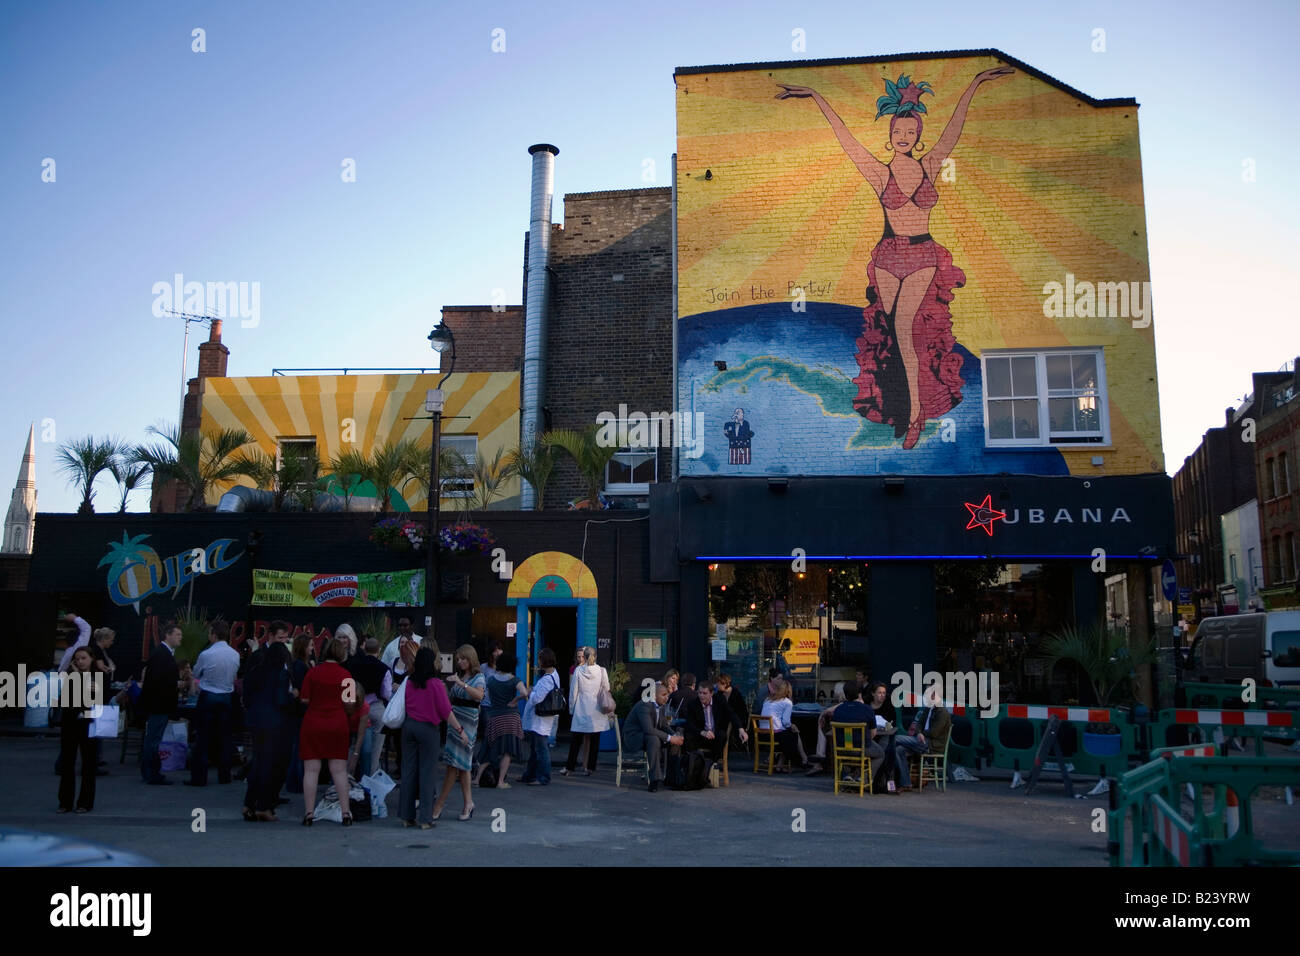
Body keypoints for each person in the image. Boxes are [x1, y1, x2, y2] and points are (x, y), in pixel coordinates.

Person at [777, 66, 1014, 449]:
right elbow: (847, 140)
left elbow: (954, 131)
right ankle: (896, 407)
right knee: (890, 335)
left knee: (904, 331)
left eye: (910, 133)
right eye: (897, 133)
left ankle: (916, 414)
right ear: (889, 138)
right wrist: (816, 97)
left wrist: (973, 83)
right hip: (888, 256)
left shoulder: (931, 166)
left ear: (918, 138)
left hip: (922, 254)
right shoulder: (878, 172)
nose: (903, 137)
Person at [400, 648, 469, 828]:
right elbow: (446, 711)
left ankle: (406, 816)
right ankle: (425, 819)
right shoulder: (436, 684)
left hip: (409, 727)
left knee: (408, 771)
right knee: (427, 773)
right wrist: (460, 730)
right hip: (428, 729)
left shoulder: (409, 682)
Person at [299, 638, 359, 826]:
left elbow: (304, 699)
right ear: (341, 653)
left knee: (311, 770)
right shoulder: (346, 674)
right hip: (337, 723)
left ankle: (309, 813)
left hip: (313, 723)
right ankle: (345, 813)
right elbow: (350, 702)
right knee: (339, 771)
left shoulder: (312, 673)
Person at [430, 644, 486, 821]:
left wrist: (461, 684)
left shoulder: (478, 677)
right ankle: (468, 803)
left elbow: (479, 696)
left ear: (471, 659)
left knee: (454, 765)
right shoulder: (459, 675)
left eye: (464, 658)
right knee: (462, 765)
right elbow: (450, 699)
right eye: (459, 659)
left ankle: (439, 804)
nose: (460, 662)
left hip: (468, 723)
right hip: (454, 720)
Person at [241, 641, 293, 821]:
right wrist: (292, 697)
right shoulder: (281, 674)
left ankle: (249, 803)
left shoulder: (256, 671)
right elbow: (281, 700)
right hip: (274, 722)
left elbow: (246, 696)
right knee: (270, 765)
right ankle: (264, 806)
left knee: (258, 761)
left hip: (255, 719)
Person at [187, 621, 241, 787]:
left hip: (209, 695)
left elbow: (197, 673)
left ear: (214, 634)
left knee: (202, 737)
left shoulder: (206, 654)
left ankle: (199, 778)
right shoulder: (235, 654)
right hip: (226, 696)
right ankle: (224, 775)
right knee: (225, 737)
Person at [804, 681, 884, 785]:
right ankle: (864, 778)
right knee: (881, 754)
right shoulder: (867, 710)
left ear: (845, 694)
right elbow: (873, 734)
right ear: (860, 694)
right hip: (861, 749)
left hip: (841, 750)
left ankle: (848, 775)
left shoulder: (838, 710)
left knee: (856, 747)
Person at [139, 623, 183, 785]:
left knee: (153, 739)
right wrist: (175, 684)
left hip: (159, 704)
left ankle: (149, 772)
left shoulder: (163, 653)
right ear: (168, 635)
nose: (180, 637)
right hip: (158, 705)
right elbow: (158, 681)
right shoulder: (161, 654)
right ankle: (151, 773)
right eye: (177, 634)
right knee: (153, 740)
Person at [57, 648, 98, 813]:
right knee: (67, 763)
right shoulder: (69, 677)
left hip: (89, 725)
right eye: (77, 659)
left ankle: (85, 802)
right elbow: (65, 701)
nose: (80, 661)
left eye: (83, 658)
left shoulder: (97, 677)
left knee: (88, 765)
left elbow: (96, 701)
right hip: (70, 725)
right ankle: (65, 802)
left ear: (91, 659)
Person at [477, 652, 527, 788]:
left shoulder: (491, 680)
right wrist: (515, 700)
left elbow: (484, 695)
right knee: (507, 751)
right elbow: (524, 693)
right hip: (511, 718)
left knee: (489, 747)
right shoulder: (515, 680)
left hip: (494, 716)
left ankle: (476, 779)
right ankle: (500, 782)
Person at [623, 682, 683, 792]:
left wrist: (674, 735)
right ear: (654, 696)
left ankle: (671, 779)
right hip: (634, 738)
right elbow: (648, 729)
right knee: (654, 739)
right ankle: (654, 780)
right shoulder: (644, 705)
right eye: (664, 695)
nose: (667, 698)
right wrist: (669, 738)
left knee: (671, 741)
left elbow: (663, 725)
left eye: (667, 695)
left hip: (647, 736)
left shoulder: (661, 706)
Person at [563, 646, 611, 776]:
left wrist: (572, 709)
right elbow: (607, 688)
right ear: (595, 657)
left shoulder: (578, 670)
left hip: (581, 708)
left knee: (576, 740)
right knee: (595, 740)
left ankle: (570, 767)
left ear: (584, 656)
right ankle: (590, 768)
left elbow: (574, 691)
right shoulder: (602, 671)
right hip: (597, 709)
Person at [892, 689, 952, 792]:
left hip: (932, 745)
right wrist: (919, 732)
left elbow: (935, 732)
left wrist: (922, 734)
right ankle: (906, 783)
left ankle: (889, 777)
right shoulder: (928, 708)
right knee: (898, 750)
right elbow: (919, 723)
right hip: (920, 741)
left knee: (895, 738)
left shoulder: (942, 712)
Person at [520, 647, 560, 787]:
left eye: (539, 659)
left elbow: (537, 698)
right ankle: (529, 775)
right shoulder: (554, 674)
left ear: (544, 661)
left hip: (540, 719)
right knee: (535, 748)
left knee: (541, 749)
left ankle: (543, 777)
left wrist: (529, 692)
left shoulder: (547, 679)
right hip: (542, 719)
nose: (537, 662)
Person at [684, 679, 748, 762]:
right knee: (688, 735)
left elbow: (731, 714)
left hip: (716, 737)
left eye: (704, 693)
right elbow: (689, 724)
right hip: (701, 736)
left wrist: (741, 729)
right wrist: (702, 732)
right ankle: (694, 763)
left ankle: (712, 762)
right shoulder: (693, 704)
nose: (701, 696)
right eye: (699, 693)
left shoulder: (719, 700)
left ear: (711, 693)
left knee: (722, 735)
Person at [285, 632, 312, 793]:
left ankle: (294, 780)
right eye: (309, 646)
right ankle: (296, 781)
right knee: (298, 749)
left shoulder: (297, 664)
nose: (312, 648)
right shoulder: (300, 666)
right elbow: (303, 691)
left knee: (297, 747)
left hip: (296, 711)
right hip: (300, 712)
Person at [760, 678, 805, 771]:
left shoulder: (767, 699)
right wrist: (792, 726)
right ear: (788, 691)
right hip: (774, 734)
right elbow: (786, 722)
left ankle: (779, 763)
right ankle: (804, 759)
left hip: (763, 734)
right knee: (794, 734)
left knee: (787, 734)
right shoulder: (787, 702)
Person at [380, 616, 423, 681]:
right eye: (400, 625)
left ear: (412, 626)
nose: (402, 628)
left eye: (405, 625)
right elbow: (384, 666)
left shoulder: (421, 642)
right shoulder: (391, 646)